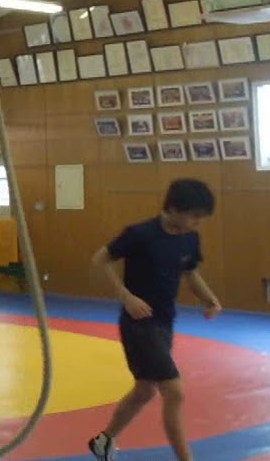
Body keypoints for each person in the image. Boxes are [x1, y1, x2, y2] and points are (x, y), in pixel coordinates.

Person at [87, 178, 222, 461]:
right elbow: (100, 259)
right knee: (174, 391)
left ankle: (104, 441)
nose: (196, 223)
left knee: (145, 390)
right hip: (138, 324)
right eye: (194, 216)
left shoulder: (189, 237)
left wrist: (208, 298)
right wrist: (126, 296)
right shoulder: (140, 234)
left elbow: (189, 272)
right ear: (173, 208)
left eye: (201, 218)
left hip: (164, 322)